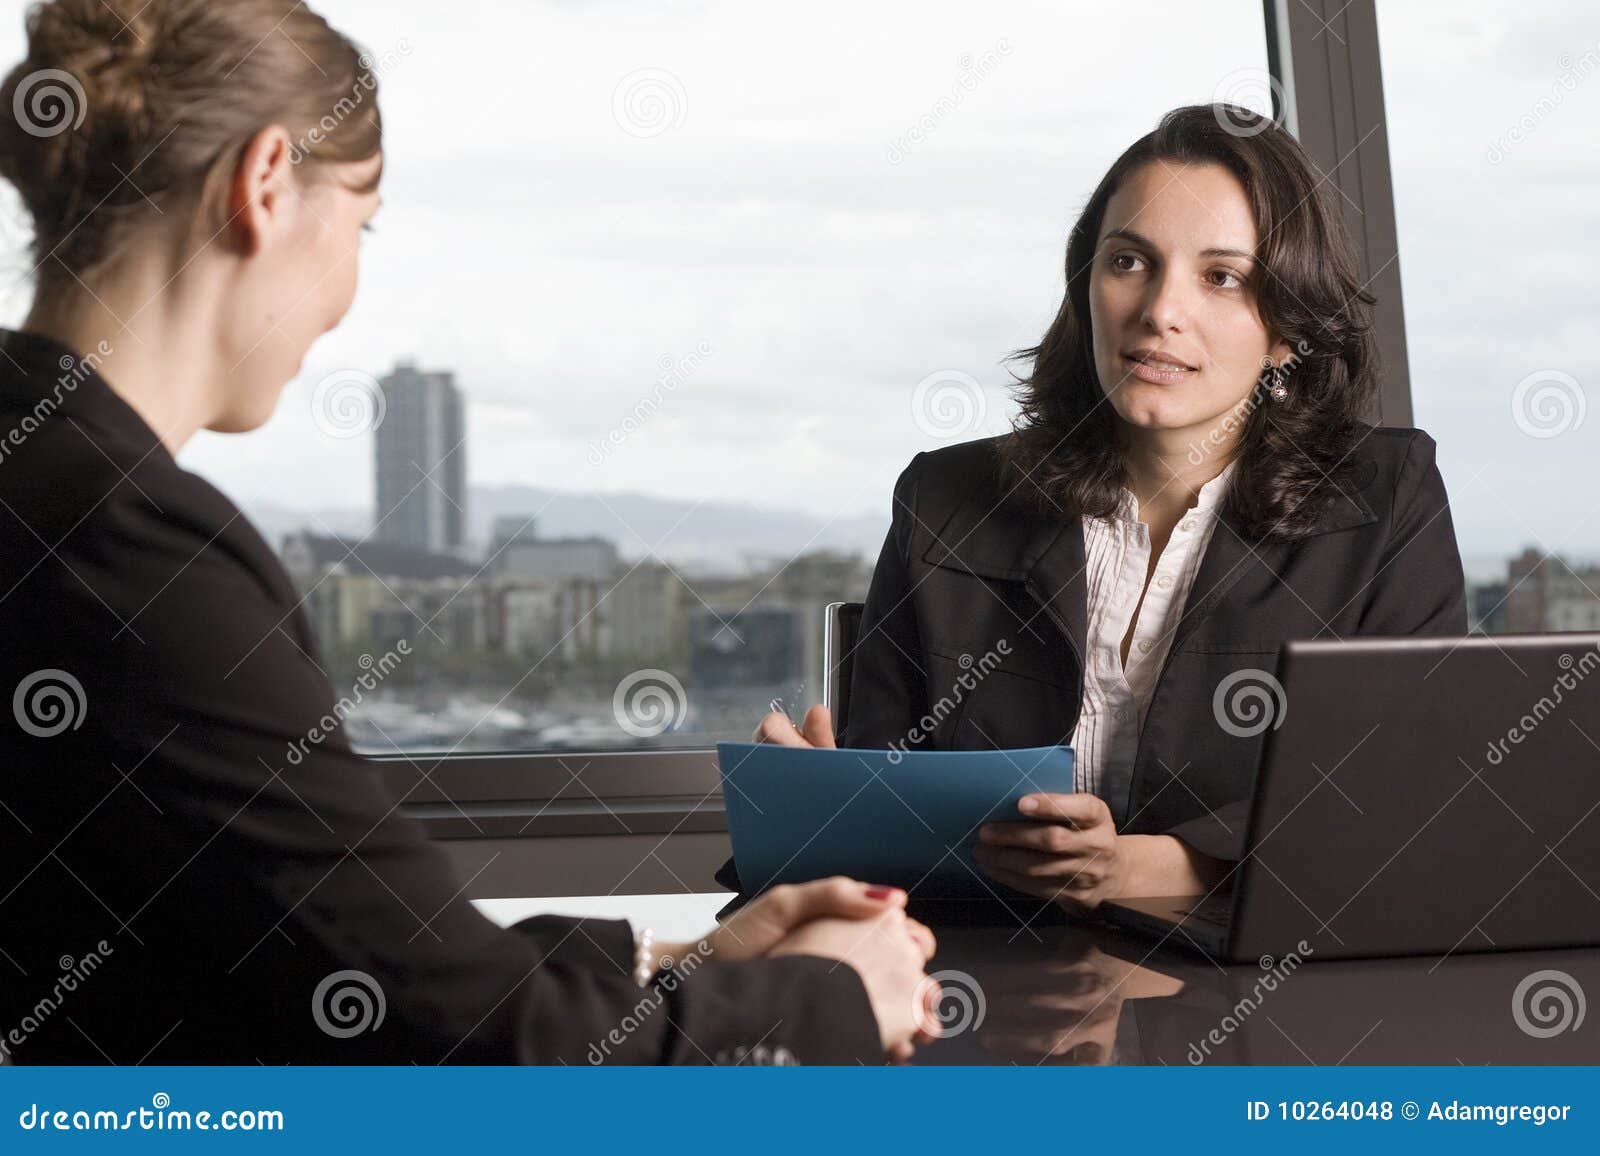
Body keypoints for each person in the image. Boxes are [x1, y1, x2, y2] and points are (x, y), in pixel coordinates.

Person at [0, 0, 939, 1065]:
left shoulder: (45, 487)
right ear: (265, 184)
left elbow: (312, 962)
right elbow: (483, 1051)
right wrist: (828, 998)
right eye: (361, 223)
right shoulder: (137, 555)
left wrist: (679, 961)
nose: (347, 293)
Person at [734, 104, 1467, 913]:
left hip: (1266, 998)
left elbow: (1406, 806)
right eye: (1129, 261)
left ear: (1289, 327)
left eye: (1221, 276)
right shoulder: (945, 501)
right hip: (975, 989)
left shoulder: (1386, 497)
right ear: (1086, 290)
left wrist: (1138, 870)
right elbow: (877, 819)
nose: (1159, 310)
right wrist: (816, 804)